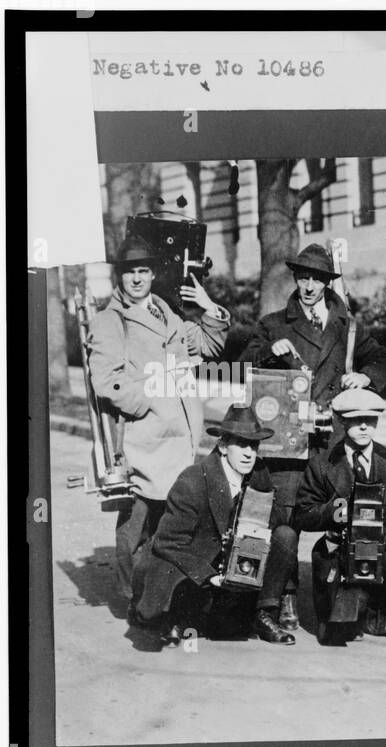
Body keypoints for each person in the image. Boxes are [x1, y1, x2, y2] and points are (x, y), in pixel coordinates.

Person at [239, 243, 386, 629]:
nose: (309, 286)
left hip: (333, 440)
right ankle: (288, 593)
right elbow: (244, 362)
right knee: (287, 517)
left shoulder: (349, 328)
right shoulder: (274, 323)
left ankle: (347, 599)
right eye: (303, 277)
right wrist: (268, 352)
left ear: (328, 282)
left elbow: (384, 358)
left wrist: (367, 377)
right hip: (290, 440)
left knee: (344, 512)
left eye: (317, 279)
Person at [86, 234, 231, 607]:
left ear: (152, 274)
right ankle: (131, 597)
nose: (136, 278)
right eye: (129, 271)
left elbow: (209, 347)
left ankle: (155, 595)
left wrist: (207, 306)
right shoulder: (111, 320)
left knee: (167, 524)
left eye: (143, 270)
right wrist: (148, 402)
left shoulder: (165, 311)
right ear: (119, 276)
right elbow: (106, 379)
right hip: (142, 440)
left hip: (180, 441)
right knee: (135, 524)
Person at [130, 403, 297, 647]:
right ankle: (176, 617)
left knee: (285, 535)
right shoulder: (194, 479)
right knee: (190, 611)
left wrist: (257, 505)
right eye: (241, 444)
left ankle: (263, 614)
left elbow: (279, 518)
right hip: (200, 576)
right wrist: (209, 577)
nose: (249, 453)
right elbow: (168, 542)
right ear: (222, 446)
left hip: (240, 574)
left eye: (254, 445)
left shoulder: (258, 472)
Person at [292, 388, 386, 647]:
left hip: (383, 544)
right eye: (356, 421)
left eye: (371, 420)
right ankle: (349, 616)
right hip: (341, 547)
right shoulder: (322, 463)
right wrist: (333, 512)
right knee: (335, 637)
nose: (365, 427)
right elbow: (304, 514)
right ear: (342, 422)